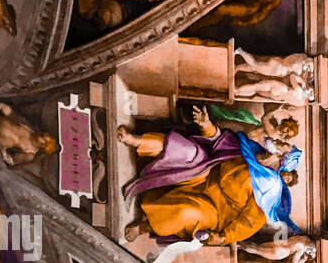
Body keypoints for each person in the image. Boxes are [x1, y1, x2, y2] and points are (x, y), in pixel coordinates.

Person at [120, 105, 298, 252]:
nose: (268, 151)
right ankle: (137, 141)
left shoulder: (267, 194)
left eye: (275, 152)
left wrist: (223, 237)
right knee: (187, 151)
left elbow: (248, 223)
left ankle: (143, 227)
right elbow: (219, 142)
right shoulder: (249, 151)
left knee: (186, 212)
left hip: (213, 211)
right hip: (203, 174)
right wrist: (206, 126)